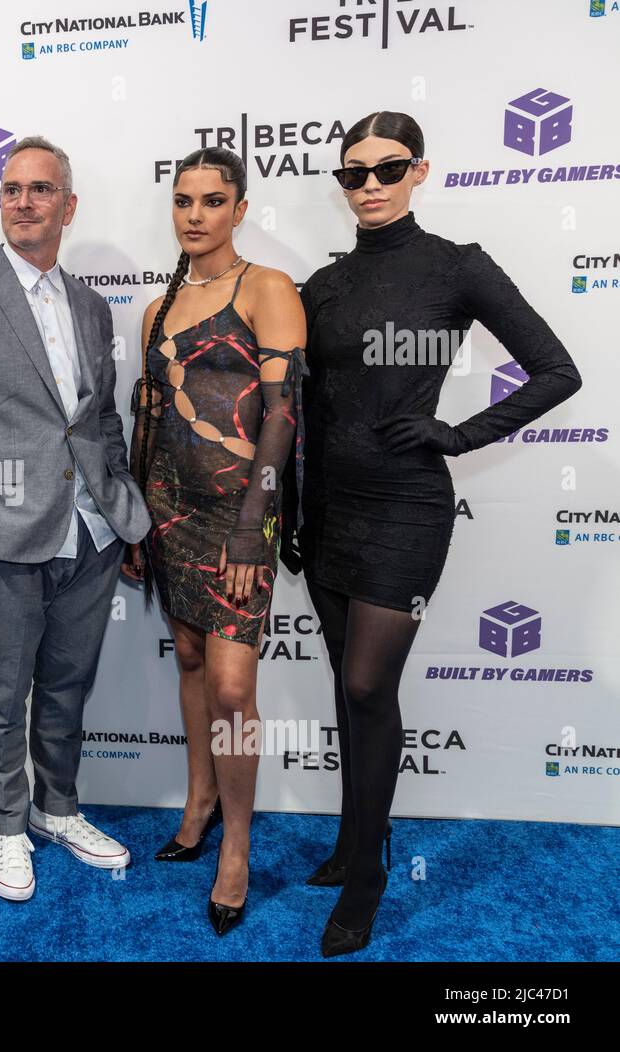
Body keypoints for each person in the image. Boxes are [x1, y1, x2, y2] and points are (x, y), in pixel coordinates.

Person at [299, 111, 581, 956]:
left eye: (388, 169)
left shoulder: (457, 268)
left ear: (420, 171)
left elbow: (558, 370)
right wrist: (291, 511)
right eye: (353, 173)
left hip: (404, 511)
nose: (370, 185)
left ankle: (371, 875)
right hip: (328, 510)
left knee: (364, 689)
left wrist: (458, 435)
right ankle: (354, 839)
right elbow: (309, 406)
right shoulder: (325, 285)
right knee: (345, 690)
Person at [0, 136, 152, 902]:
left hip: (93, 529)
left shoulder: (90, 304)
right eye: (10, 189)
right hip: (5, 537)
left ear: (68, 206)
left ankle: (58, 808)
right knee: (3, 691)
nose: (22, 201)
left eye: (40, 189)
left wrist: (119, 505)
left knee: (67, 686)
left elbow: (100, 419)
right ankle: (9, 827)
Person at [125, 148, 305, 935]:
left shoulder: (267, 289)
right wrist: (137, 520)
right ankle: (198, 800)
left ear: (240, 208)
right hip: (167, 508)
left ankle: (236, 846)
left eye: (212, 200)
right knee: (192, 660)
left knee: (233, 689)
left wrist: (250, 529)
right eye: (183, 200)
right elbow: (150, 423)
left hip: (240, 515)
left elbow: (283, 417)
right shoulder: (155, 310)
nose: (195, 214)